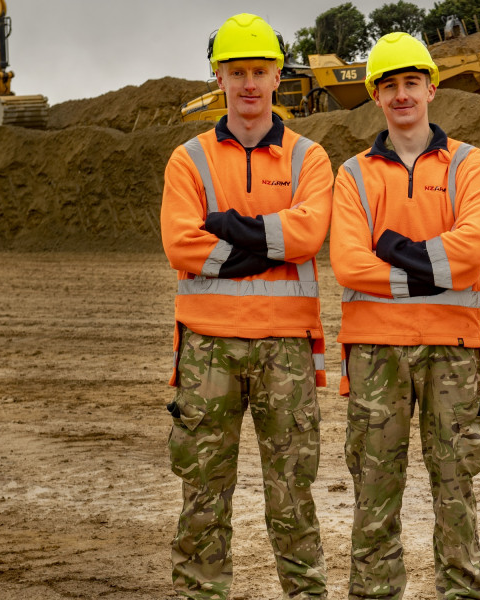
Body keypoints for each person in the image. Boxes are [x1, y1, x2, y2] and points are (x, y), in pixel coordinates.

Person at [159, 13, 332, 600]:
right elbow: (180, 243)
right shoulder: (188, 160)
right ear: (218, 76)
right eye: (238, 72)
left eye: (259, 71)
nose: (249, 84)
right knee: (204, 497)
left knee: (293, 497)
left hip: (286, 349)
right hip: (208, 349)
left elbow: (309, 236)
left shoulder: (310, 158)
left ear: (279, 74)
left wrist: (226, 230)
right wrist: (269, 244)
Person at [330, 31, 480, 600]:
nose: (402, 95)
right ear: (376, 95)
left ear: (431, 88)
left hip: (451, 348)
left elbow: (472, 249)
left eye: (411, 83)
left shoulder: (470, 165)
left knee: (456, 491)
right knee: (375, 492)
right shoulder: (352, 174)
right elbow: (350, 264)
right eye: (389, 86)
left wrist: (392, 249)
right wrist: (432, 267)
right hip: (375, 353)